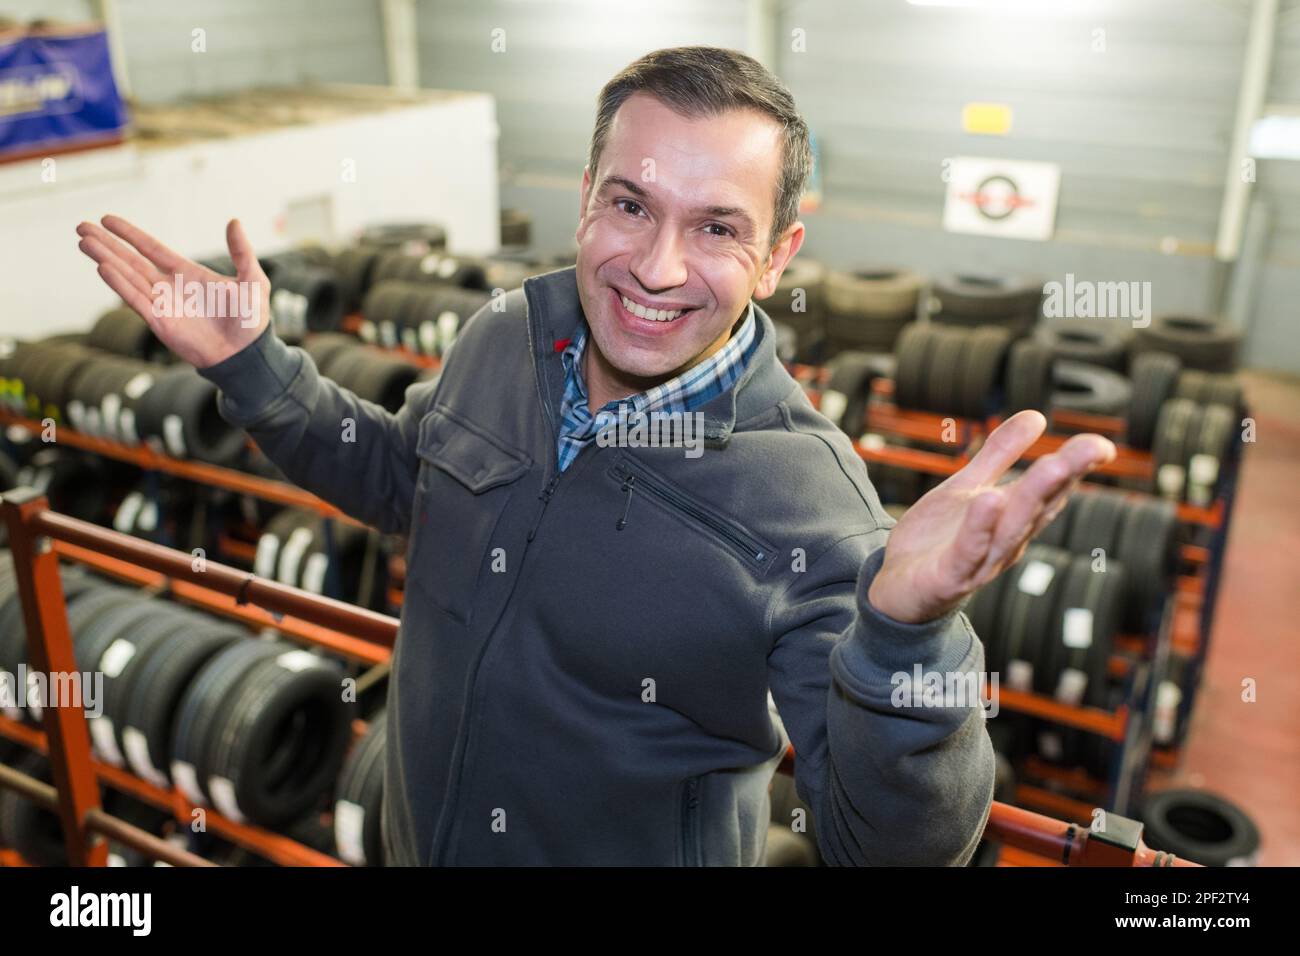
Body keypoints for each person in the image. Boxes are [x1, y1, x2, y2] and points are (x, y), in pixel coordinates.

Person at [74, 46, 1114, 866]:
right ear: (586, 193)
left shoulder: (808, 507)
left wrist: (907, 637)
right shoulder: (503, 336)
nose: (657, 269)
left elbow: (886, 846)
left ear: (779, 254)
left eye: (716, 227)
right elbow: (402, 479)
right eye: (631, 205)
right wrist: (257, 367)